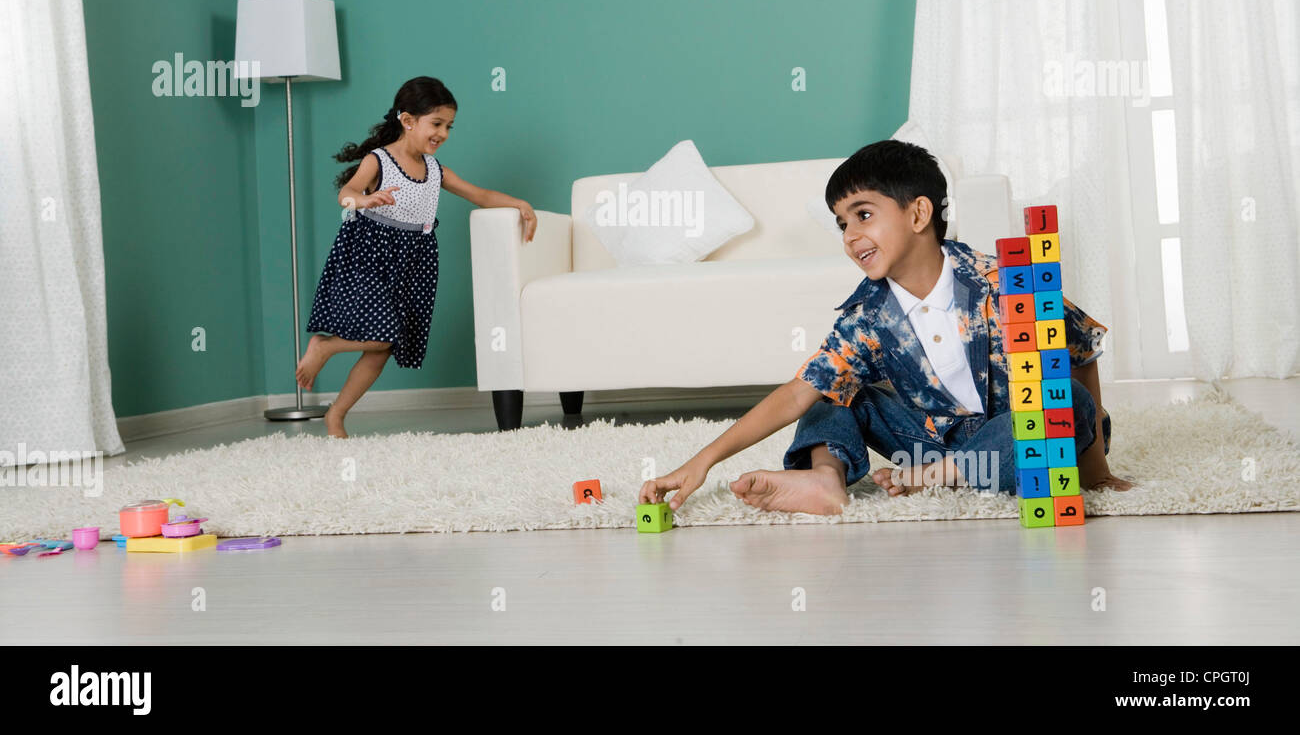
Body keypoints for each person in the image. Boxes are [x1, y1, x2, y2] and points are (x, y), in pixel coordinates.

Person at [640, 139, 1134, 514]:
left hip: (1012, 433)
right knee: (831, 393)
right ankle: (825, 480)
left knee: (1068, 397)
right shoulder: (866, 318)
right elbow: (796, 394)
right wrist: (701, 461)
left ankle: (943, 476)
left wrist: (1095, 470)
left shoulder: (1001, 282)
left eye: (864, 214)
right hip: (923, 441)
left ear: (919, 212)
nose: (852, 236)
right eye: (842, 224)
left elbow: (1082, 350)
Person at [295, 76, 537, 438]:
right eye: (436, 124)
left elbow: (480, 194)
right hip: (370, 252)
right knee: (380, 335)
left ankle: (336, 415)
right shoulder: (379, 160)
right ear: (408, 121)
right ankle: (325, 345)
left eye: (449, 126)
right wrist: (362, 200)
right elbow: (347, 192)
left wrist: (519, 203)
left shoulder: (436, 171)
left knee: (384, 347)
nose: (444, 133)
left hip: (414, 260)